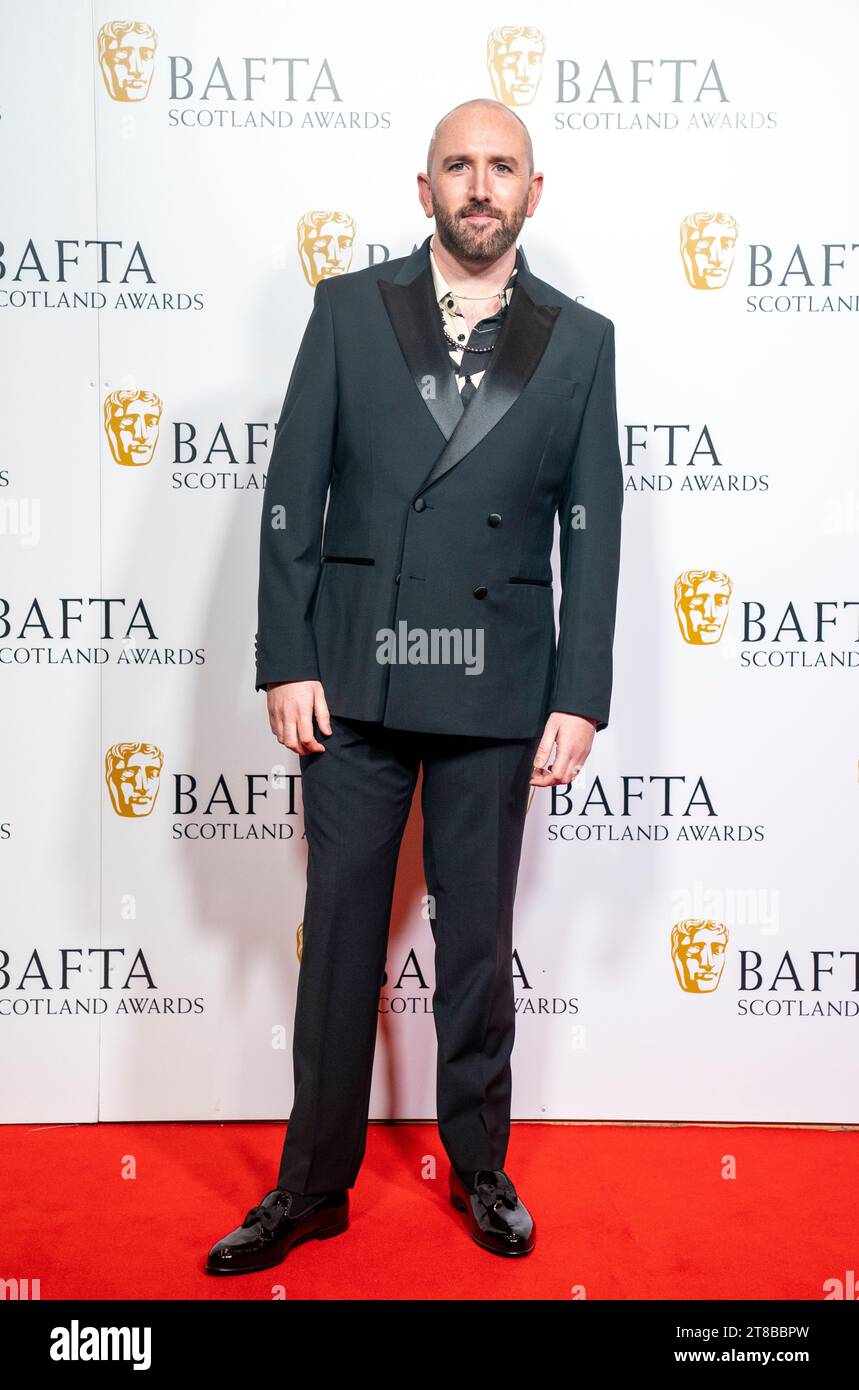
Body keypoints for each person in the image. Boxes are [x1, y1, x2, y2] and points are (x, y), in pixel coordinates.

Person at [206, 96, 623, 1274]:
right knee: (339, 939)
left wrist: (579, 690)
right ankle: (310, 1185)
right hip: (352, 683)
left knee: (478, 943)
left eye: (502, 167)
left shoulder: (581, 339)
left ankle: (479, 1166)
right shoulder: (345, 311)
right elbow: (291, 495)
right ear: (424, 186)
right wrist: (284, 655)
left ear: (532, 193)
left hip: (498, 691)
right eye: (458, 165)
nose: (479, 185)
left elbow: (592, 532)